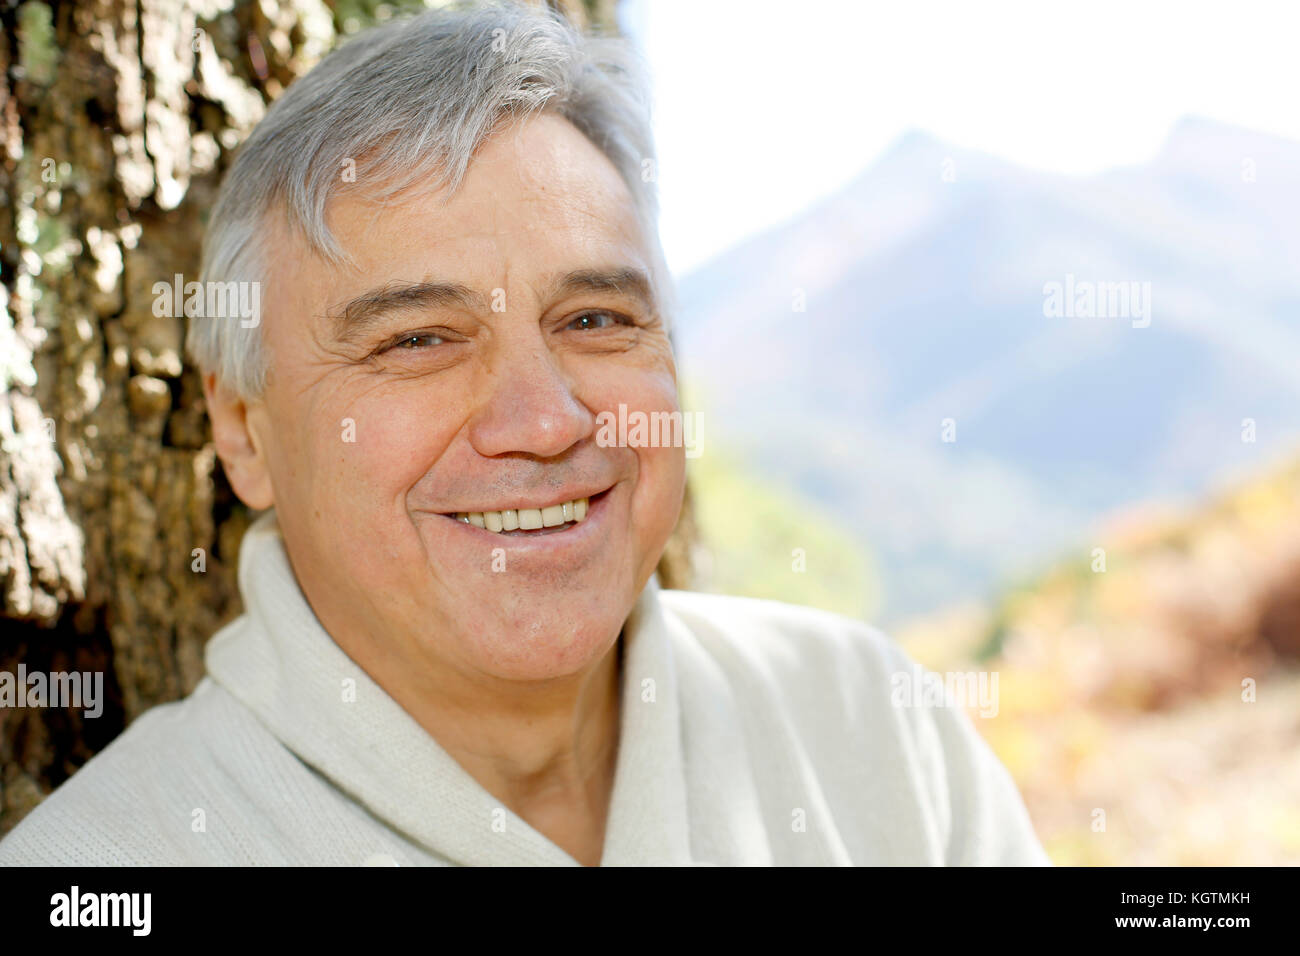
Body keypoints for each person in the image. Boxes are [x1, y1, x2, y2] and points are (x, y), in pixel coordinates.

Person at [0, 1, 1049, 866]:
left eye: (595, 318)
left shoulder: (870, 727)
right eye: (417, 339)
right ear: (245, 432)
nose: (545, 420)